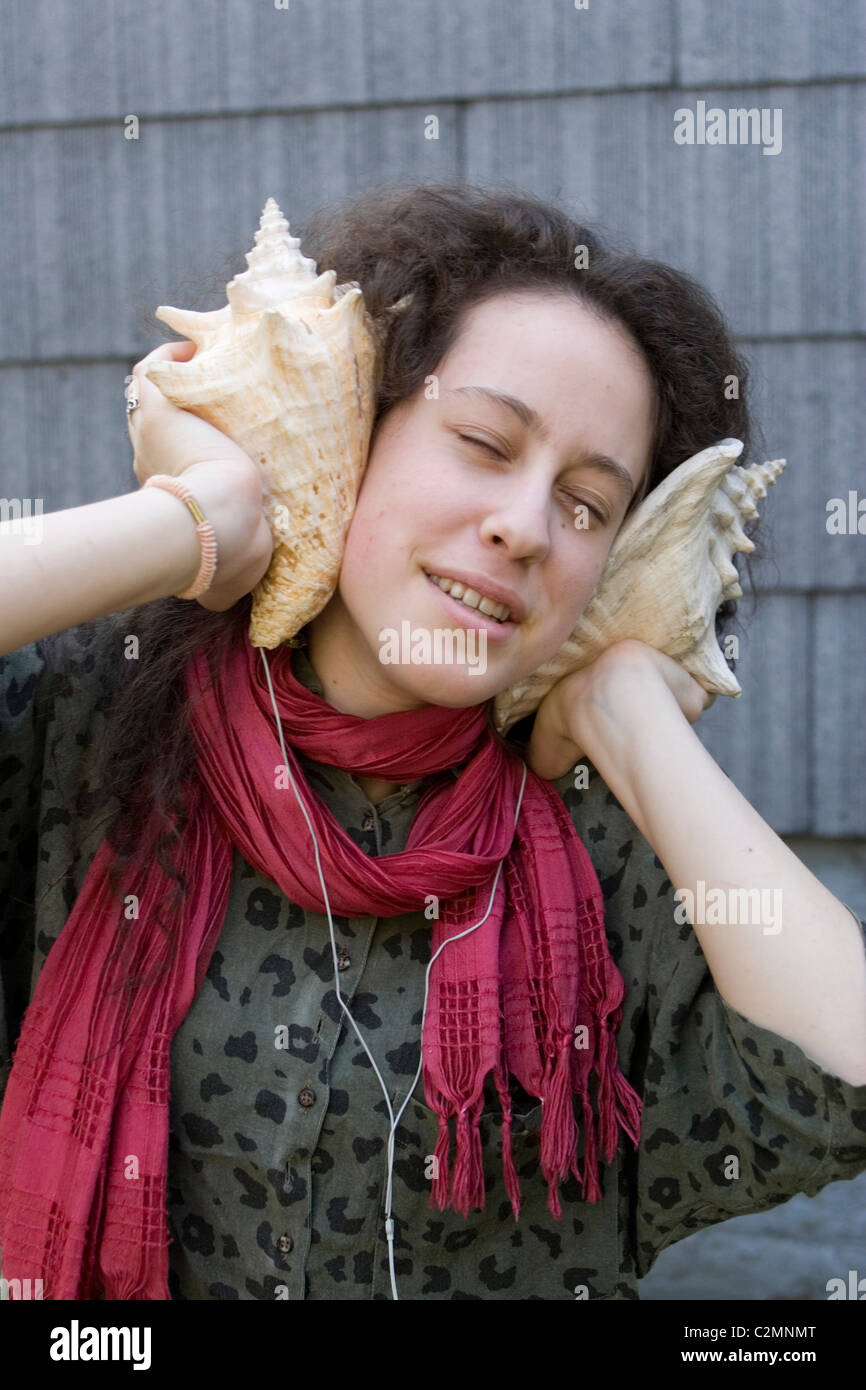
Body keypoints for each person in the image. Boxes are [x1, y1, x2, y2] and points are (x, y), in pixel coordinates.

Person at [1, 181, 864, 1302]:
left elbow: (842, 1075)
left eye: (588, 506)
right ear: (355, 426)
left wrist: (627, 713)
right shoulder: (96, 726)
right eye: (481, 441)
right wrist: (202, 518)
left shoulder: (603, 840)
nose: (524, 526)